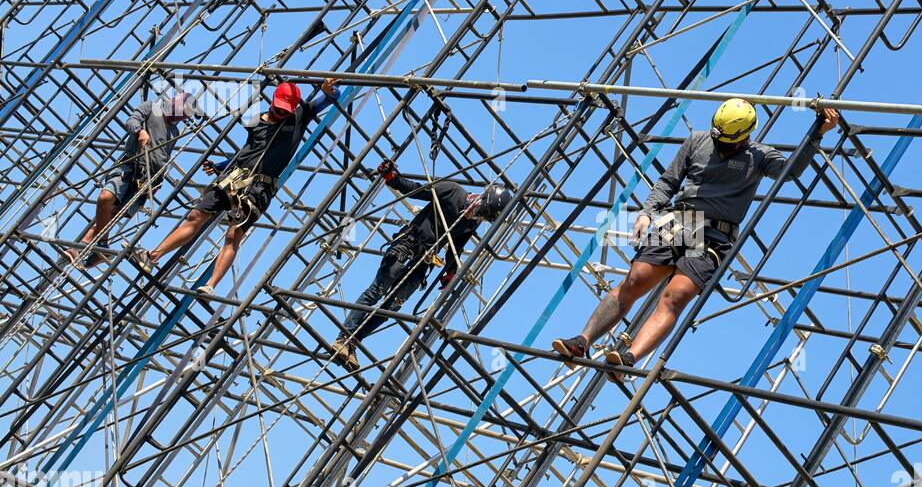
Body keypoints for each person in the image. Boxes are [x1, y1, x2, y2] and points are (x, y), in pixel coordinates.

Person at [552, 97, 840, 379]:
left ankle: (629, 358)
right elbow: (668, 181)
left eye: (729, 143)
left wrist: (816, 133)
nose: (722, 147)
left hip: (715, 235)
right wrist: (647, 213)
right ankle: (583, 341)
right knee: (635, 278)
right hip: (680, 221)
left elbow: (791, 171)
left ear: (745, 137)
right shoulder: (697, 141)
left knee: (675, 295)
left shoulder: (758, 156)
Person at [132, 79, 339, 295]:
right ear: (273, 102)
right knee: (196, 215)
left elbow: (332, 97)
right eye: (279, 108)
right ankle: (153, 256)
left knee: (233, 234)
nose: (281, 113)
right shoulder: (257, 121)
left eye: (285, 110)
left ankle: (210, 286)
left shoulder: (298, 116)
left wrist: (328, 90)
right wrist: (221, 165)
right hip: (234, 177)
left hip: (259, 187)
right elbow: (247, 152)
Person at [327, 160, 513, 371]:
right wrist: (393, 179)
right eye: (480, 210)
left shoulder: (472, 222)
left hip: (424, 262)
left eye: (482, 215)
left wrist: (451, 272)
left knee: (393, 307)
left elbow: (455, 248)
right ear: (481, 198)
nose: (476, 215)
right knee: (377, 290)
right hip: (408, 245)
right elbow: (417, 190)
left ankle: (352, 342)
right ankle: (343, 337)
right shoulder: (453, 191)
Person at [64, 91, 194, 267]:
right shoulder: (151, 107)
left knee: (113, 213)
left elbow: (164, 157)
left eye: (183, 117)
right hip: (129, 166)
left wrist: (157, 181)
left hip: (146, 179)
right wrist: (140, 131)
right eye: (181, 113)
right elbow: (131, 120)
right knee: (105, 198)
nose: (179, 118)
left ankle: (84, 246)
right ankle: (101, 245)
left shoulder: (174, 132)